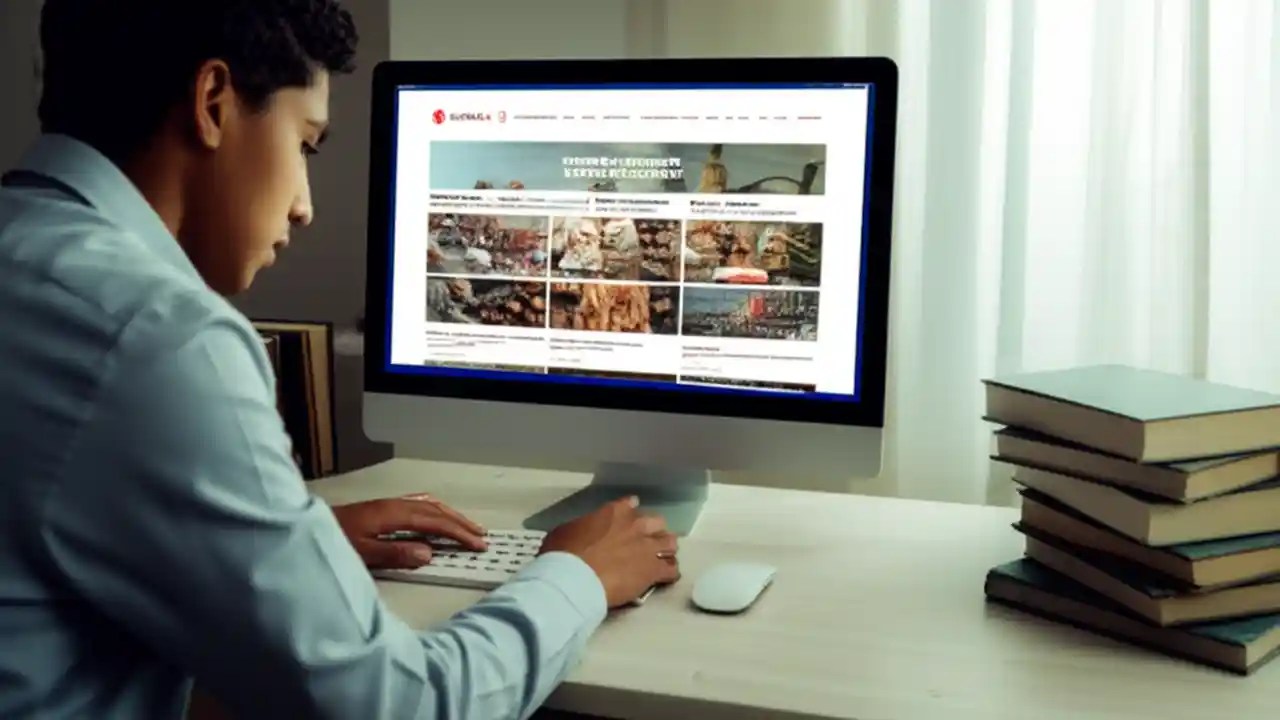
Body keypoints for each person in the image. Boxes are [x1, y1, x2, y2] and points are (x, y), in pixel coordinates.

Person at [0, 2, 679, 719]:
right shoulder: (160, 336)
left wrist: (282, 547)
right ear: (212, 102)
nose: (304, 208)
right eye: (305, 144)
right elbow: (390, 707)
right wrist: (575, 576)